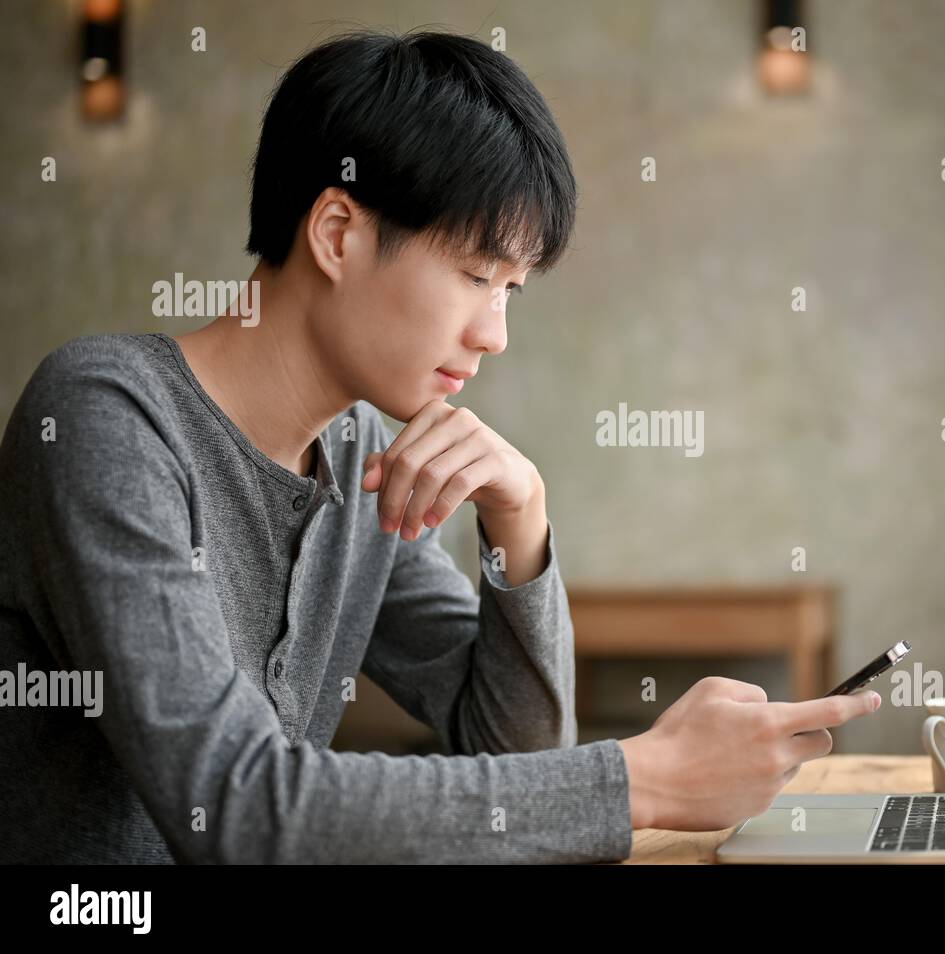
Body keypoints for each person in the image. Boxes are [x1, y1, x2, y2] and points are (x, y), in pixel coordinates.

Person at [0, 29, 881, 864]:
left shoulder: (360, 454)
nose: (495, 334)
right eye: (474, 276)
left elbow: (512, 742)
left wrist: (522, 524)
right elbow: (235, 809)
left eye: (512, 290)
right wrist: (643, 778)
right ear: (337, 233)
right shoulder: (105, 417)